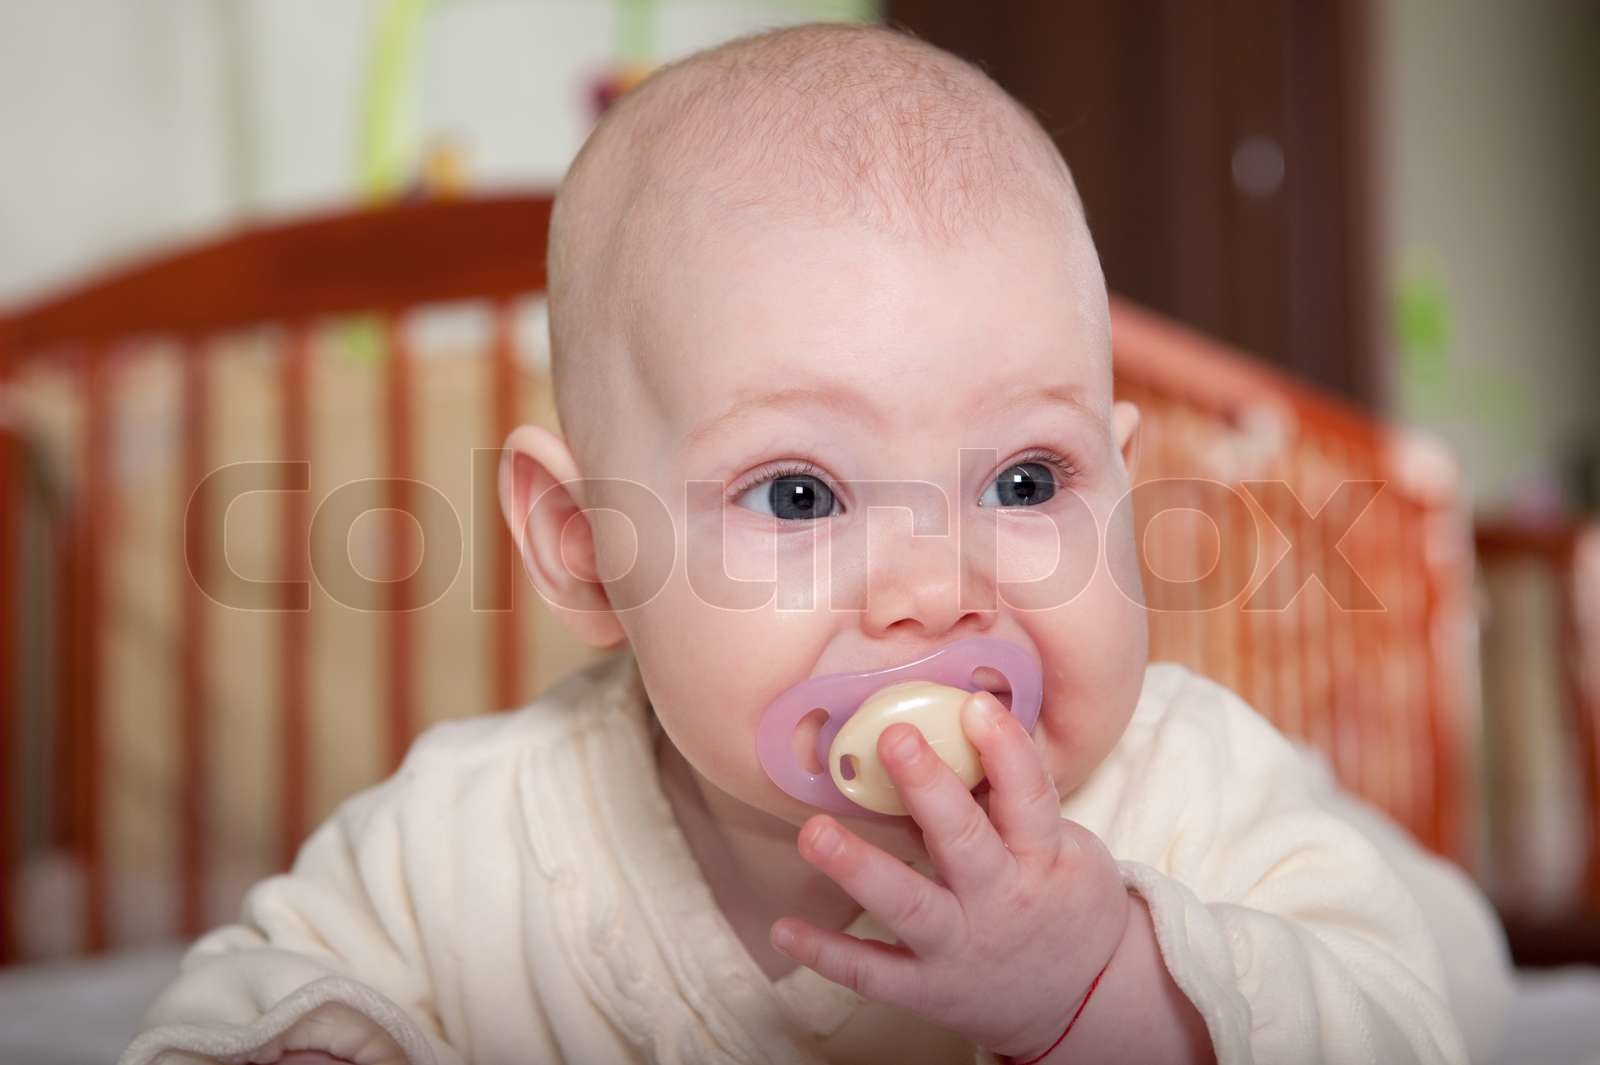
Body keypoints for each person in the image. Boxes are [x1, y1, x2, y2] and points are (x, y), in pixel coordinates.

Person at [121, 22, 1512, 1065]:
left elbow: (1412, 1023)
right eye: (799, 495)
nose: (930, 588)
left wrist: (1107, 985)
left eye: (1027, 478)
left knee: (1440, 937)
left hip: (1371, 930)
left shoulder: (1187, 794)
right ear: (588, 548)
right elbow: (249, 998)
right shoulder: (477, 842)